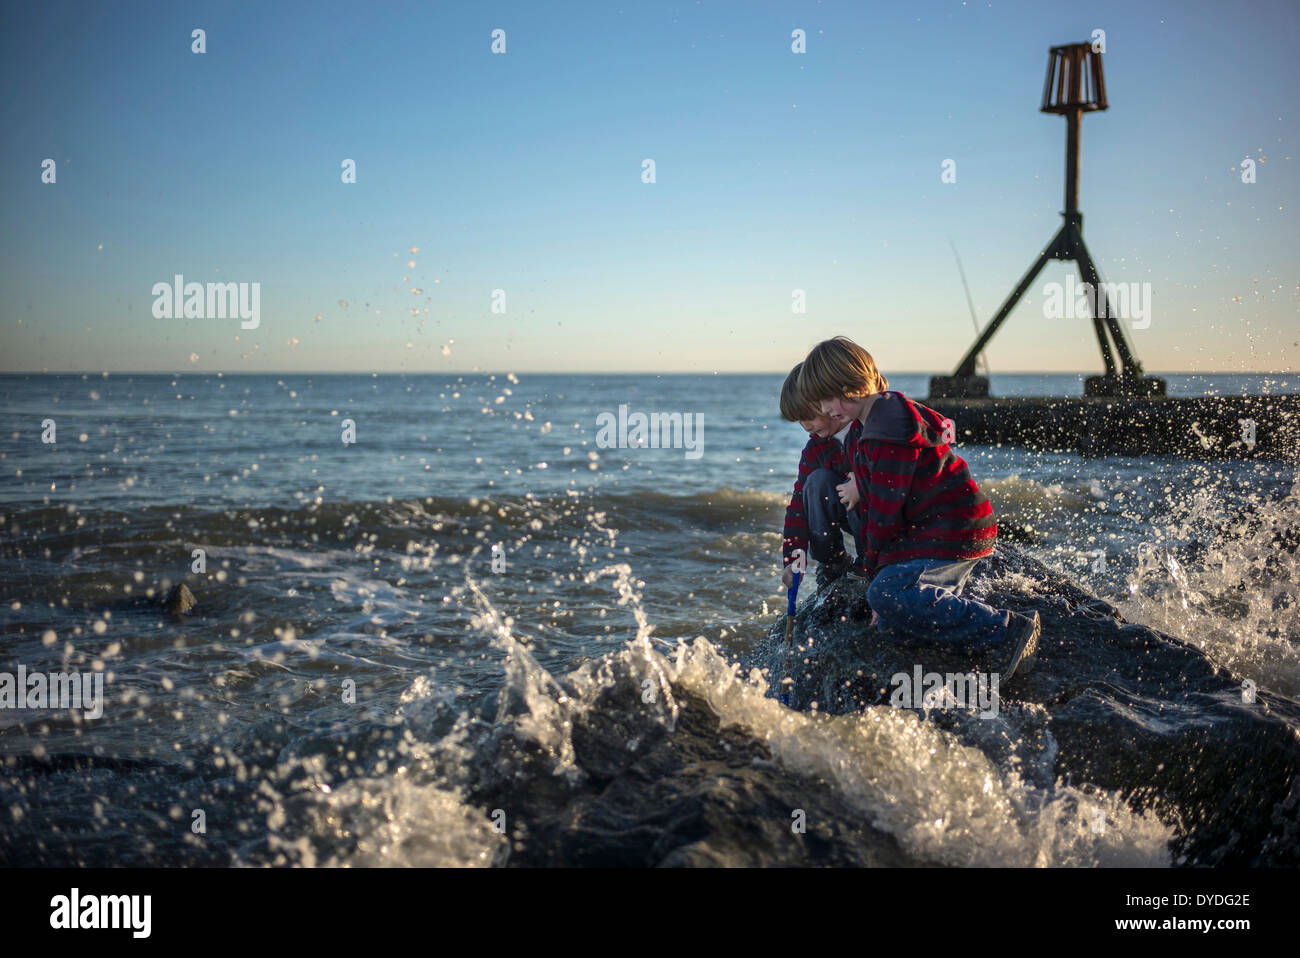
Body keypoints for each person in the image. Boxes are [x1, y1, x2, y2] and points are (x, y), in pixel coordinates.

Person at [797, 336, 1040, 683]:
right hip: (921, 531)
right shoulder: (862, 431)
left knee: (885, 594)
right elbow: (881, 507)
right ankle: (940, 622)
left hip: (952, 533)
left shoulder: (889, 429)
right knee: (894, 621)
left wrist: (874, 577)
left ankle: (1008, 629)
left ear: (851, 384)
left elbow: (883, 516)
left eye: (827, 397)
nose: (823, 410)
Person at [778, 363, 863, 592]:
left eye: (808, 417)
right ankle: (833, 563)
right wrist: (794, 557)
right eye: (799, 420)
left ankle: (869, 563)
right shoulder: (816, 448)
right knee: (815, 482)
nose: (805, 426)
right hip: (850, 515)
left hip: (882, 517)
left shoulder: (865, 430)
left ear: (826, 403)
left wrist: (863, 481)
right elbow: (798, 506)